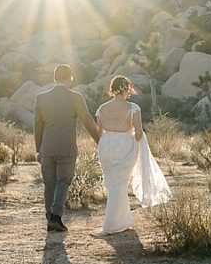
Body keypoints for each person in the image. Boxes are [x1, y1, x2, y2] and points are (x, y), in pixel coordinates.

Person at [95, 75, 172, 235]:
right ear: (126, 89)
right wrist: (136, 143)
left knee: (113, 183)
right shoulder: (133, 108)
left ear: (112, 89)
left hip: (106, 145)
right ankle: (110, 225)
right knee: (120, 183)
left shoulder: (102, 108)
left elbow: (99, 132)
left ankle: (122, 221)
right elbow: (138, 132)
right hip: (124, 145)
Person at [33, 64, 101, 234]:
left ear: (54, 78)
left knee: (49, 184)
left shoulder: (41, 98)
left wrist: (38, 149)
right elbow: (87, 121)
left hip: (47, 148)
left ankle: (50, 220)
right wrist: (101, 141)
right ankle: (56, 217)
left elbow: (37, 126)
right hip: (67, 148)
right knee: (63, 181)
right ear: (70, 78)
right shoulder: (75, 97)